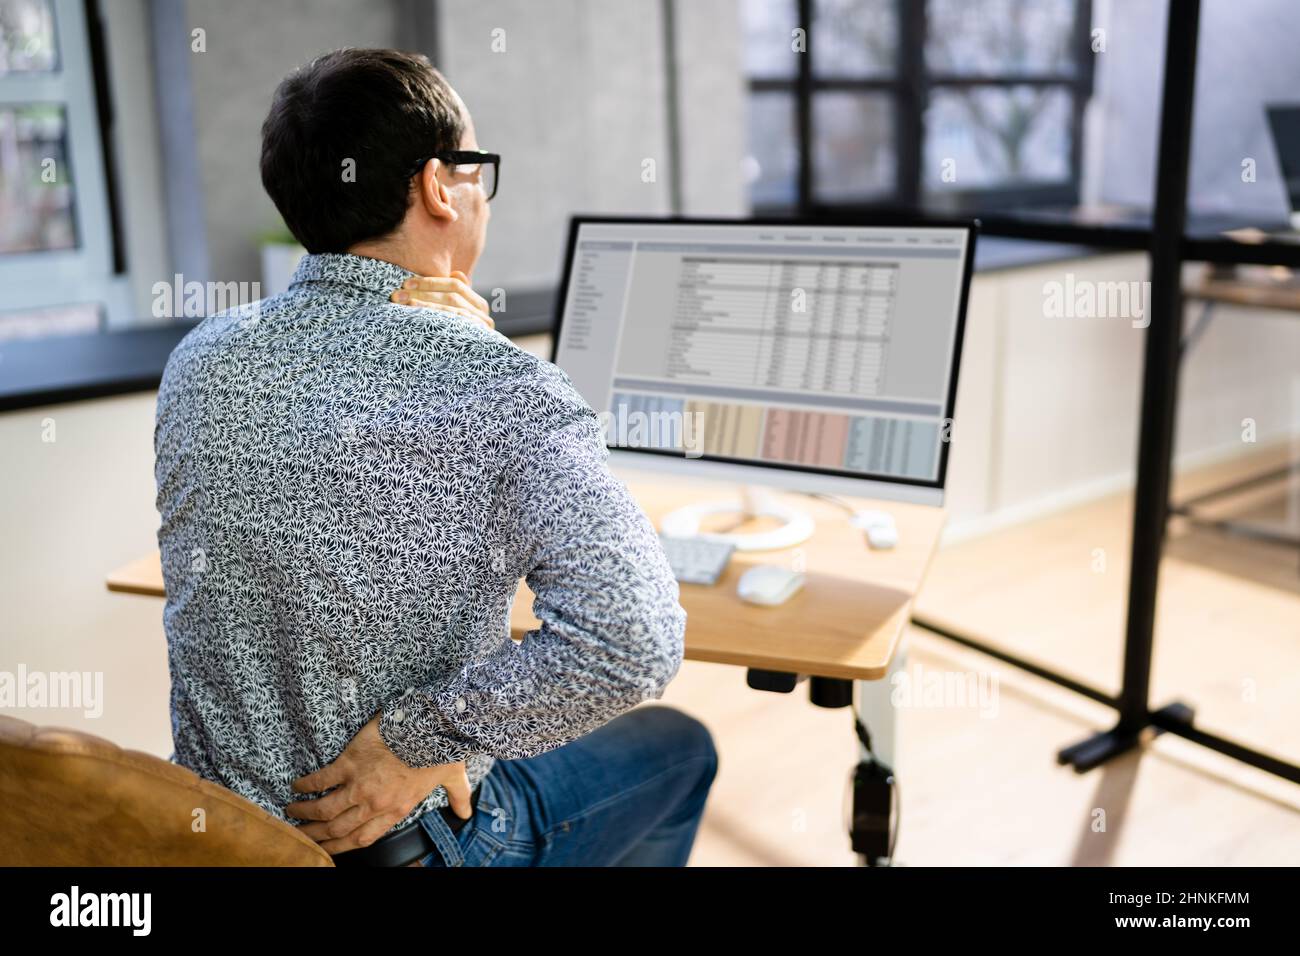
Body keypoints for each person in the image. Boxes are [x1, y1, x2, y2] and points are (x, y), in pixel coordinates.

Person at [153, 48, 717, 867]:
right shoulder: (501, 386)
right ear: (436, 187)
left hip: (220, 843)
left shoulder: (200, 359)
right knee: (679, 749)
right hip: (402, 846)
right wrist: (415, 742)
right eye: (477, 167)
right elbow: (630, 641)